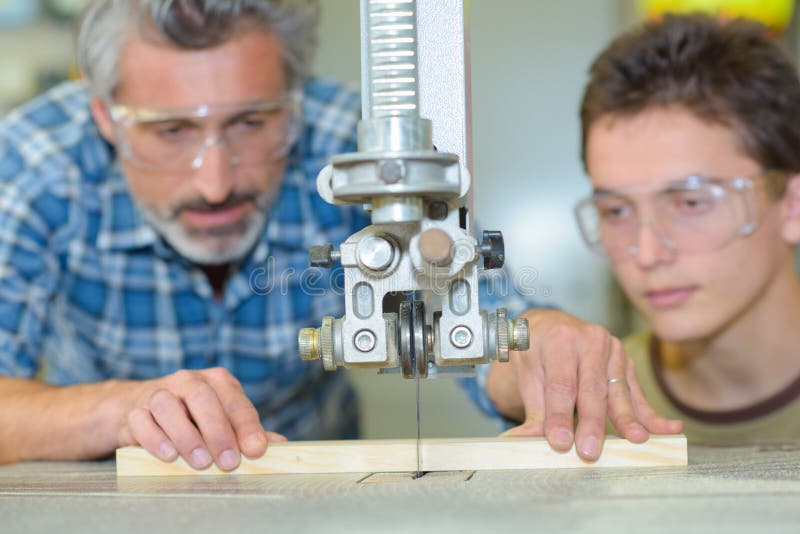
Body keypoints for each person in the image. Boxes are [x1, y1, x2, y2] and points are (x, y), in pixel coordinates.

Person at [0, 0, 679, 470]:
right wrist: (121, 411)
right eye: (170, 131)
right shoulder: (36, 168)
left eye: (252, 124)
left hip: (319, 488)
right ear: (105, 118)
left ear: (296, 98)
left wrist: (544, 348)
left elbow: (479, 320)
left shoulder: (354, 145)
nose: (214, 182)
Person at [575, 12, 800, 443]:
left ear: (791, 205)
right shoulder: (589, 418)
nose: (647, 254)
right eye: (616, 211)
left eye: (692, 202)